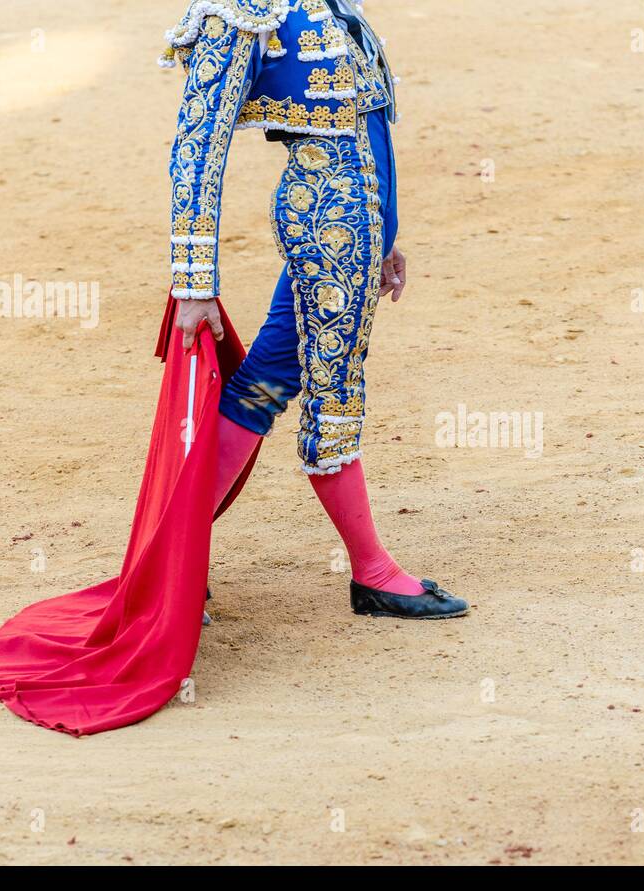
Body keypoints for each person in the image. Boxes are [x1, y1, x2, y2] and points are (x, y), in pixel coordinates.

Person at [162, 0, 467, 619]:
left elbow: (368, 128)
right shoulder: (238, 10)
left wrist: (383, 234)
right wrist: (193, 282)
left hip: (351, 228)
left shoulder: (330, 4)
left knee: (267, 382)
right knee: (331, 392)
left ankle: (176, 560)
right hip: (325, 221)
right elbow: (198, 146)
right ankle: (373, 573)